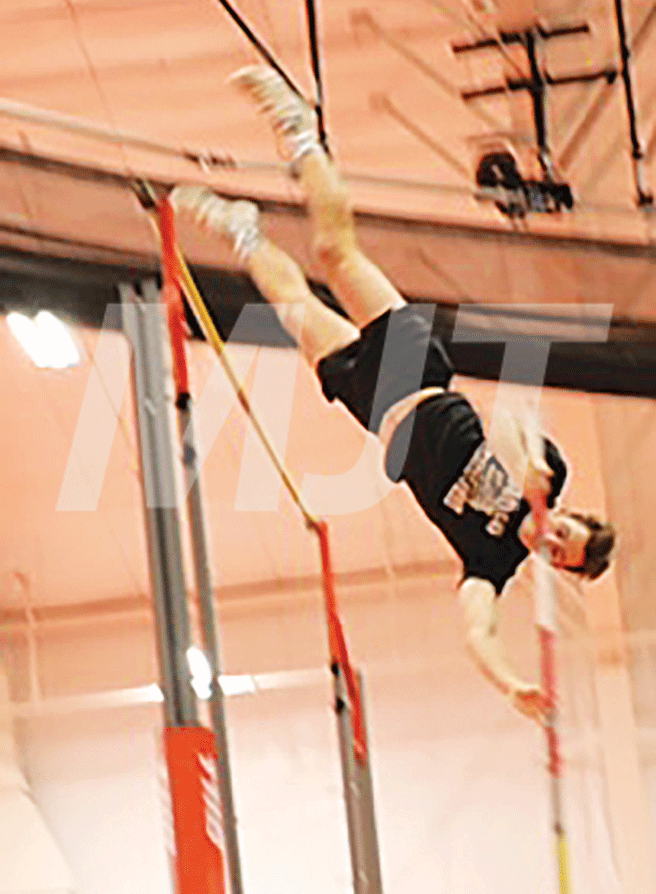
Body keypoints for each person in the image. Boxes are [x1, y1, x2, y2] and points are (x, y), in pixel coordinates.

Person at [171, 65, 616, 723]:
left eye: (559, 556)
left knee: (289, 305)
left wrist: (508, 684)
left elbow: (477, 633)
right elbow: (506, 422)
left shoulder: (491, 561)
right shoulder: (547, 476)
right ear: (571, 515)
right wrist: (528, 468)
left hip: (379, 413)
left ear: (557, 568)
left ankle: (243, 231)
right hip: (421, 376)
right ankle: (299, 132)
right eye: (566, 534)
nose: (552, 541)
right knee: (335, 252)